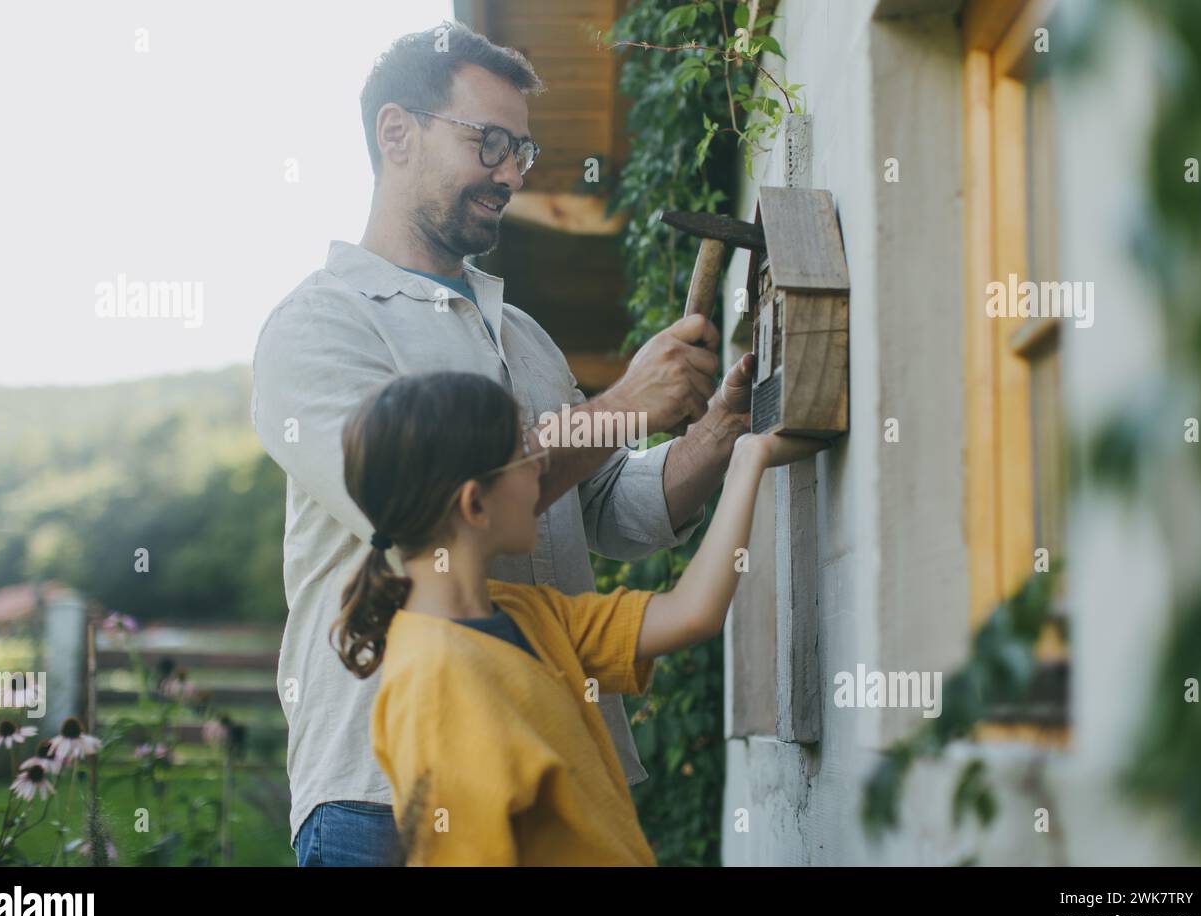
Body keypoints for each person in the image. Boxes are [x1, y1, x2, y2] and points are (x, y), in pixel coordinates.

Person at [251, 21, 757, 865]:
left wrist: (715, 435)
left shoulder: (524, 337)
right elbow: (406, 504)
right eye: (489, 142)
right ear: (396, 133)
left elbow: (611, 513)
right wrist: (625, 405)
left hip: (558, 764)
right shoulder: (319, 325)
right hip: (386, 798)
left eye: (522, 149)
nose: (513, 173)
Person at [331, 372, 822, 865]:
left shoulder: (524, 615)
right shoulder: (436, 681)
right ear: (475, 504)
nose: (542, 472)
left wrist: (747, 458)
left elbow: (691, 614)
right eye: (524, 456)